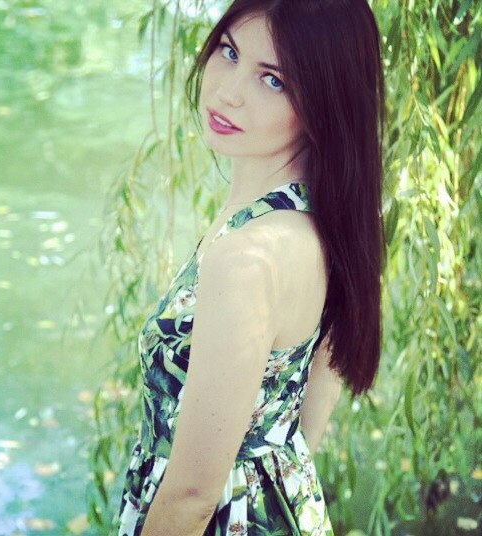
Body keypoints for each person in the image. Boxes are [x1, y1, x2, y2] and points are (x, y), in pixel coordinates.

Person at [116, 0, 385, 534]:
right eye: (230, 52)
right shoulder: (332, 223)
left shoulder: (246, 259)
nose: (228, 92)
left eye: (273, 80)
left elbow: (192, 496)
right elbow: (304, 422)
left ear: (325, 102)